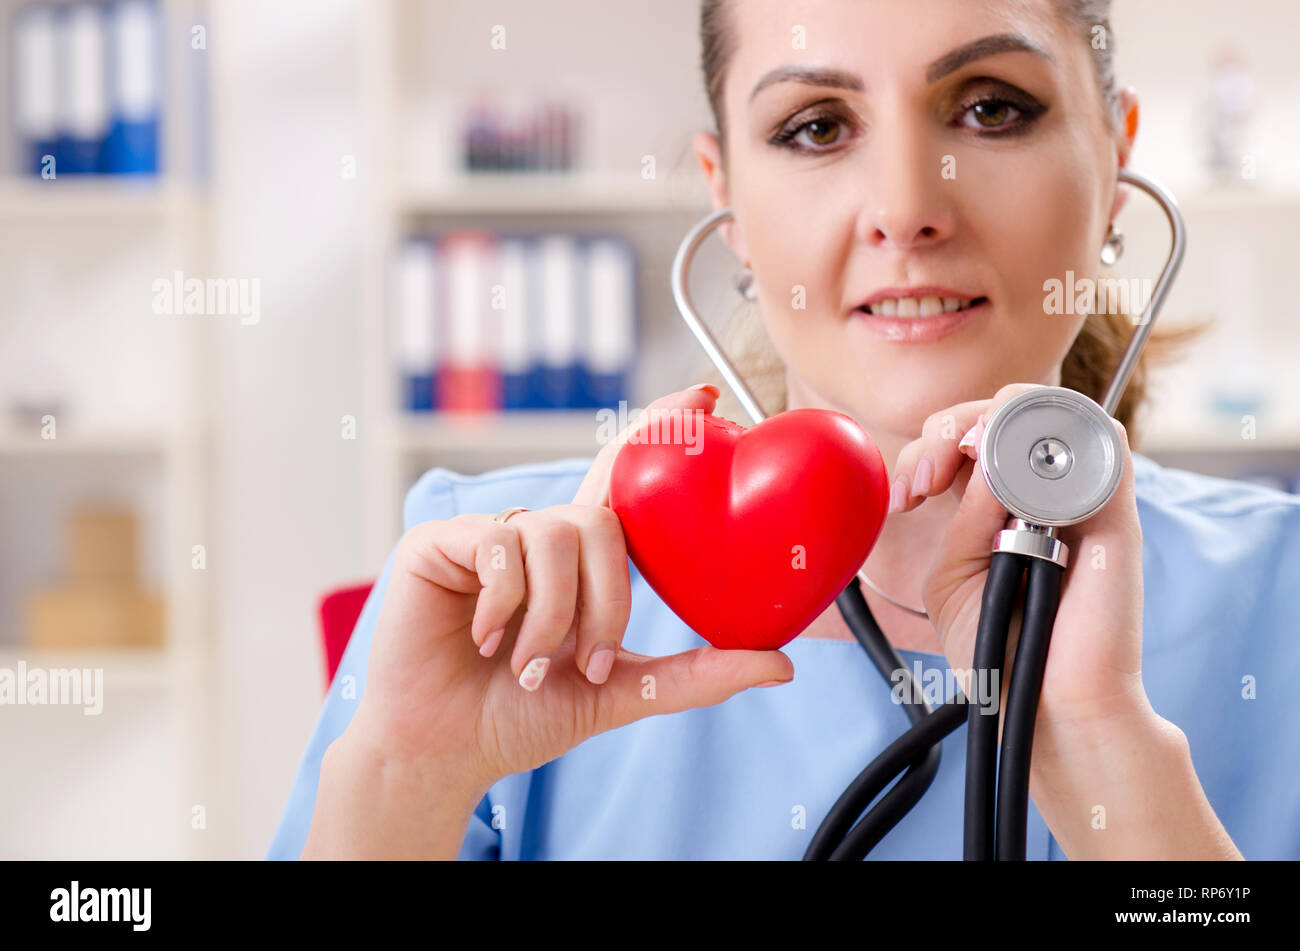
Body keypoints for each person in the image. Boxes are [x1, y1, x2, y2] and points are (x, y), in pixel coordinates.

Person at [268, 0, 1300, 860]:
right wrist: (407, 779)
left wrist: (1100, 746)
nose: (905, 208)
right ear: (727, 198)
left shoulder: (1279, 597)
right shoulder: (487, 587)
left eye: (989, 109)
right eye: (815, 127)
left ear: (1115, 160)